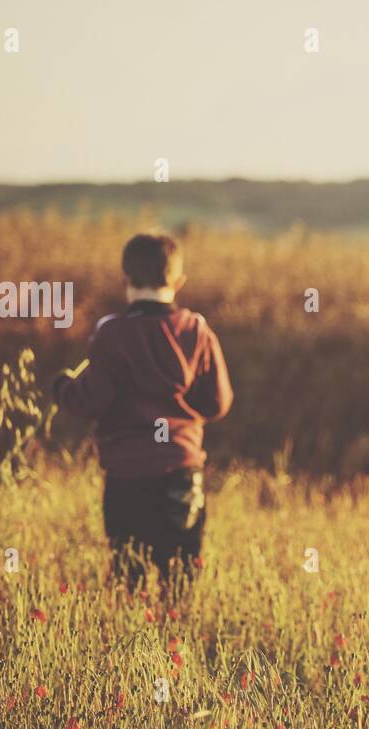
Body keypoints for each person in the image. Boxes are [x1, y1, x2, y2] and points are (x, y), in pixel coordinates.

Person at [53, 233, 233, 589]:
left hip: (127, 478)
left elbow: (90, 401)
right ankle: (176, 643)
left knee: (127, 578)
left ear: (126, 281)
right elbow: (217, 403)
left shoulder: (111, 333)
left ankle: (128, 642)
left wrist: (62, 385)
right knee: (179, 579)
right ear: (178, 282)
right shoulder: (196, 330)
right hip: (182, 476)